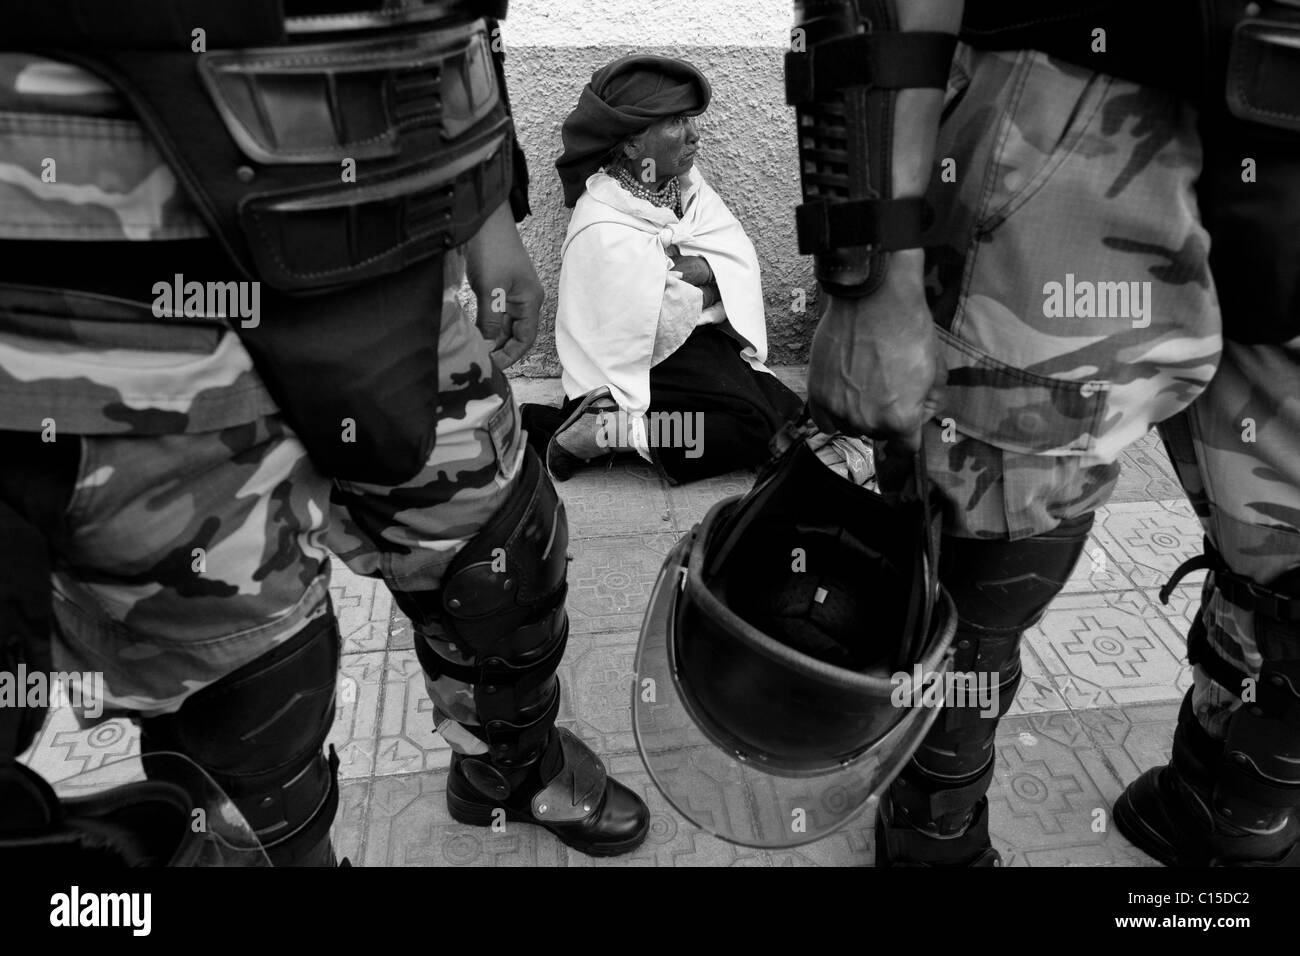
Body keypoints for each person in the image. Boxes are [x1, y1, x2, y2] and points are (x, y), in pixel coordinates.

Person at [0, 0, 649, 866]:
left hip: (380, 220)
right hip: (105, 277)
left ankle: (508, 772)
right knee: (242, 682)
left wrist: (489, 208)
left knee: (500, 556)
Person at [785, 0, 1300, 867]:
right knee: (980, 559)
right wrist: (867, 274)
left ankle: (1235, 812)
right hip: (1077, 100)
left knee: (1290, 557)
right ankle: (935, 833)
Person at [523, 55, 806, 485]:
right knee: (752, 428)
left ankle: (559, 429)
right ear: (632, 144)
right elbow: (641, 322)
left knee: (789, 418)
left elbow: (734, 256)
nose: (695, 135)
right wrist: (703, 284)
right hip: (640, 361)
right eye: (675, 122)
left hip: (693, 341)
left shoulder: (687, 189)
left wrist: (702, 271)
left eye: (691, 119)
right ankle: (609, 431)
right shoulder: (601, 220)